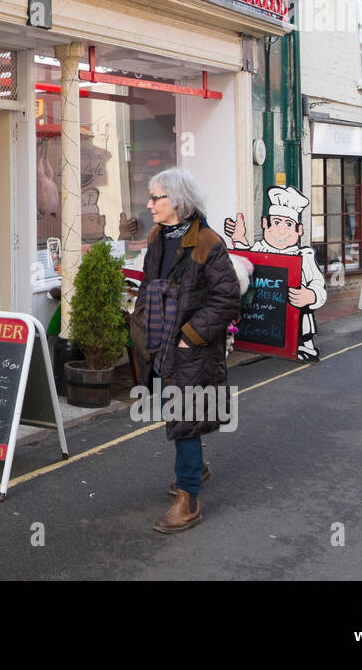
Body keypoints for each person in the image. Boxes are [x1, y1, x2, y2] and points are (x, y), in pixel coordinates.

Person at [130, 168, 242, 534]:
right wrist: (144, 325)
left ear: (176, 201)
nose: (149, 205)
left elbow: (227, 298)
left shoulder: (208, 242)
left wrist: (189, 336)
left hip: (191, 347)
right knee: (177, 412)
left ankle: (188, 499)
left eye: (155, 198)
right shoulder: (157, 237)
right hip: (162, 342)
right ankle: (196, 469)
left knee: (185, 417)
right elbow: (149, 285)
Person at [224, 185, 328, 362]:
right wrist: (238, 240)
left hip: (298, 329)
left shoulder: (304, 256)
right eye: (277, 222)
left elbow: (319, 286)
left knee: (301, 329)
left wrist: (310, 295)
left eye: (289, 224)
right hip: (264, 327)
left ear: (299, 230)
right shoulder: (259, 249)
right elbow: (247, 262)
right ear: (265, 224)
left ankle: (304, 345)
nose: (282, 231)